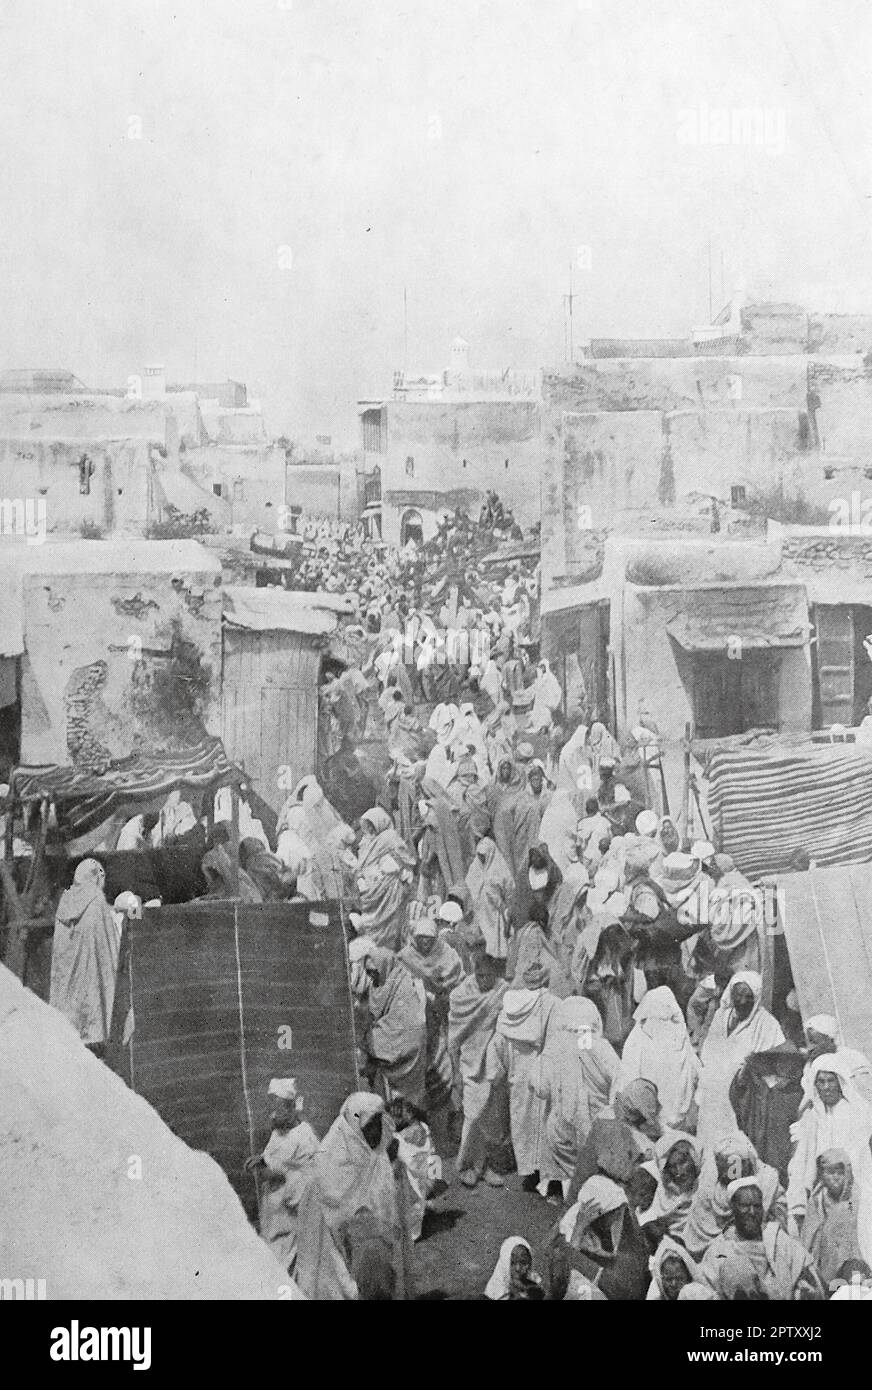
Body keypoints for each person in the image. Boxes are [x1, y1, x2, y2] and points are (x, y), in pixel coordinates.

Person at [295, 1093, 413, 1300]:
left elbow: (387, 1199)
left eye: (378, 1122)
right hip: (335, 1251)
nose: (376, 1131)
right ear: (353, 1125)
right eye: (370, 1125)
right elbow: (334, 1212)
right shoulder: (329, 1161)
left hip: (374, 1244)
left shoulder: (377, 1154)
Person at [787, 1054, 872, 1264]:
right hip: (821, 1191)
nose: (825, 1087)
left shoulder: (858, 1112)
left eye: (830, 1080)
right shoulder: (813, 1116)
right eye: (820, 1082)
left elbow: (857, 1156)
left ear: (840, 1082)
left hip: (856, 1190)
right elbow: (802, 1159)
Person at [537, 996, 621, 1199]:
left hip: (562, 1124)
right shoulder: (600, 1046)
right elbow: (619, 1082)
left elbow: (540, 1087)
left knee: (569, 1172)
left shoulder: (556, 1047)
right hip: (597, 1124)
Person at [487, 961, 559, 1191]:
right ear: (546, 980)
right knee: (547, 1124)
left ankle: (531, 1172)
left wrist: (497, 1071)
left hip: (518, 1076)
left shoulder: (511, 1004)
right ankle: (549, 1176)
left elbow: (498, 1041)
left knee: (523, 1124)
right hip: (546, 1072)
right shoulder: (553, 1003)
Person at [697, 970, 785, 1151]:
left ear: (757, 997)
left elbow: (774, 1070)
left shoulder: (767, 1024)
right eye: (738, 995)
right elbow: (708, 1052)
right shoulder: (721, 1016)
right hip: (712, 1098)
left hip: (742, 1101)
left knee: (735, 1151)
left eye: (748, 996)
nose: (742, 1001)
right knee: (708, 1145)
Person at [698, 1179, 825, 1300]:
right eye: (745, 1206)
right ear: (733, 1208)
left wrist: (804, 1291)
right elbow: (707, 1292)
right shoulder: (719, 1250)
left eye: (757, 1206)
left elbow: (811, 1280)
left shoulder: (780, 1240)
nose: (752, 1212)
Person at [448, 952, 510, 1189]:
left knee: (489, 1119)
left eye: (489, 977)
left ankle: (482, 1166)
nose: (485, 981)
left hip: (493, 1064)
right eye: (480, 975)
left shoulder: (502, 990)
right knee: (472, 1117)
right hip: (470, 1062)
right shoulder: (461, 995)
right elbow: (454, 1036)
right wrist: (455, 1073)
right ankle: (465, 1166)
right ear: (474, 973)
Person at [248, 1078, 319, 1274]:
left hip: (294, 1227)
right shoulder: (278, 1132)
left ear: (290, 1108)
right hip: (274, 1223)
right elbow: (275, 1159)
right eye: (270, 1110)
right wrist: (262, 1161)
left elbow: (308, 1181)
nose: (272, 1116)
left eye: (277, 1110)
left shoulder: (306, 1138)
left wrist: (278, 1175)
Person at [50, 858, 121, 1053]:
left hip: (70, 971)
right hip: (92, 967)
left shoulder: (66, 901)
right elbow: (108, 938)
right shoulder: (96, 900)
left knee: (71, 1006)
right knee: (93, 1005)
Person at [349, 942, 428, 1111]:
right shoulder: (379, 986)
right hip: (385, 1064)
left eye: (375, 972)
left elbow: (407, 1028)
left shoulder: (403, 986)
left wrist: (369, 1042)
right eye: (369, 973)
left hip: (405, 1061)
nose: (372, 977)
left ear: (385, 967)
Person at [684, 1132, 786, 1261]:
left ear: (748, 1163)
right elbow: (696, 1236)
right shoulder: (708, 1186)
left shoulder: (768, 1183)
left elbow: (778, 1234)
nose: (732, 1172)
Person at [619, 986, 699, 1132]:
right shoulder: (676, 1035)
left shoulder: (637, 1040)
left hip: (652, 1124)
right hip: (650, 1124)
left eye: (667, 1020)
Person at [558, 1173, 650, 1300]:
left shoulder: (628, 1233)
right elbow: (565, 1263)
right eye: (613, 1212)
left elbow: (570, 1267)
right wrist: (579, 1228)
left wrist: (579, 1231)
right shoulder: (585, 1226)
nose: (618, 1215)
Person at [354, 808, 416, 951]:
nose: (369, 829)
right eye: (367, 826)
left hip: (390, 891)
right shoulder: (366, 840)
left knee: (390, 929)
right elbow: (361, 866)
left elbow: (407, 860)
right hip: (371, 893)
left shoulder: (390, 837)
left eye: (371, 825)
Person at [801, 1150, 866, 1284]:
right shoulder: (816, 1201)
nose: (836, 1177)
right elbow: (808, 1238)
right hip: (825, 1263)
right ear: (822, 1175)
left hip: (853, 1266)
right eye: (830, 1172)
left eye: (840, 1173)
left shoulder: (857, 1200)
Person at [638, 1132, 701, 1245]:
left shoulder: (705, 1187)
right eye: (672, 1166)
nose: (679, 1172)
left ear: (693, 1157)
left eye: (682, 1162)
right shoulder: (662, 1193)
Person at [464, 836, 513, 963]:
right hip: (477, 913)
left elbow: (510, 892)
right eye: (479, 855)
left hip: (494, 914)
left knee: (494, 944)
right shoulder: (475, 868)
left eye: (483, 855)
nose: (481, 858)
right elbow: (468, 888)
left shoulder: (500, 870)